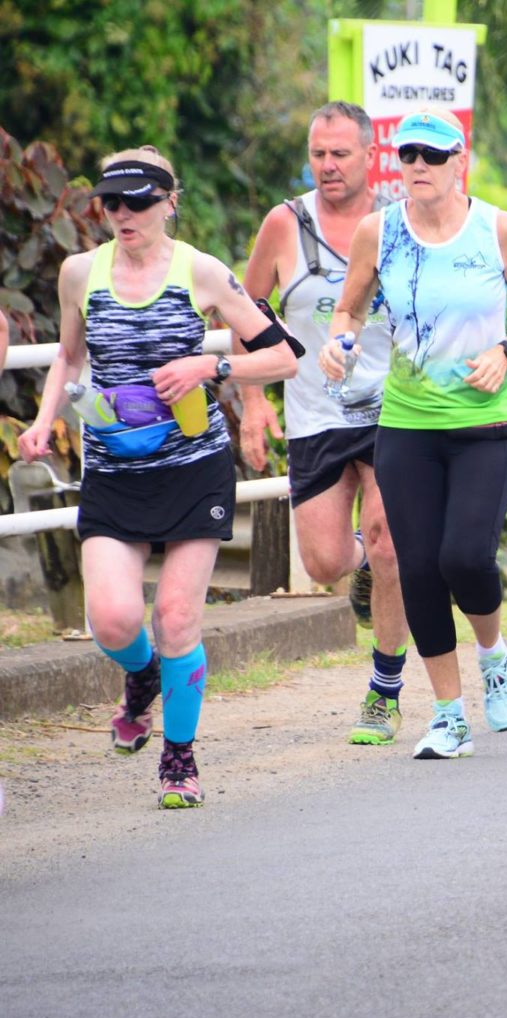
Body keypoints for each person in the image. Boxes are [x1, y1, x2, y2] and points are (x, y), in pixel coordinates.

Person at [19, 147, 300, 807]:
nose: (123, 214)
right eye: (112, 203)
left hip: (192, 467)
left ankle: (179, 758)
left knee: (175, 616)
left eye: (139, 202)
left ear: (169, 202)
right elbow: (69, 357)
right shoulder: (80, 273)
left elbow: (285, 356)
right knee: (113, 620)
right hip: (114, 469)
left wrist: (211, 367)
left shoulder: (200, 271)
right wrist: (43, 419)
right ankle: (142, 675)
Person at [320, 109, 507, 759]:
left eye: (433, 154)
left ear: (460, 161)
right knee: (419, 568)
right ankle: (449, 715)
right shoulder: (379, 232)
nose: (419, 166)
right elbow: (349, 308)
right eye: (409, 155)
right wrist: (339, 341)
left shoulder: (496, 229)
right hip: (407, 424)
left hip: (484, 421)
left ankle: (494, 655)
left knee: (465, 559)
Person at [239, 101, 410, 746]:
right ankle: (361, 558)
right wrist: (255, 401)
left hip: (396, 409)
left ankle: (384, 691)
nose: (329, 165)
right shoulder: (284, 224)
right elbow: (248, 308)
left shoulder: (400, 221)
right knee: (324, 563)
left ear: (370, 155)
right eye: (319, 154)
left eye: (341, 153)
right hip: (315, 412)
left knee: (391, 542)